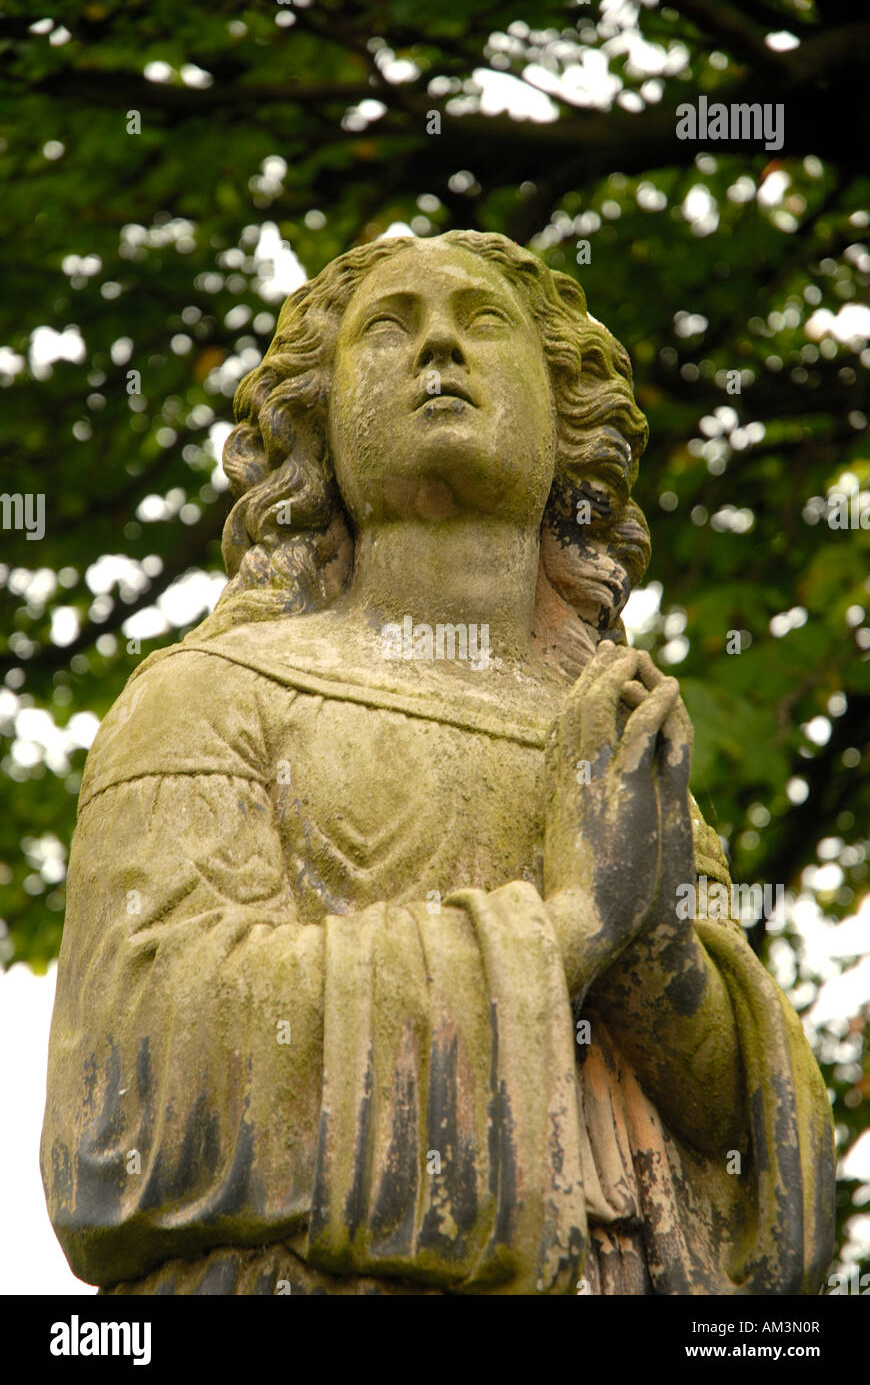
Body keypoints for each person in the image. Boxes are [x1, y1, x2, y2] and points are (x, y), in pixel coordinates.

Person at [41, 230, 834, 1295]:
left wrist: (659, 968)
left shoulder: (616, 727)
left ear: (568, 422)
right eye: (390, 329)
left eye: (484, 323)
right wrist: (564, 932)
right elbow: (125, 1096)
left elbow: (751, 1146)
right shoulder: (210, 695)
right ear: (315, 429)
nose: (440, 350)